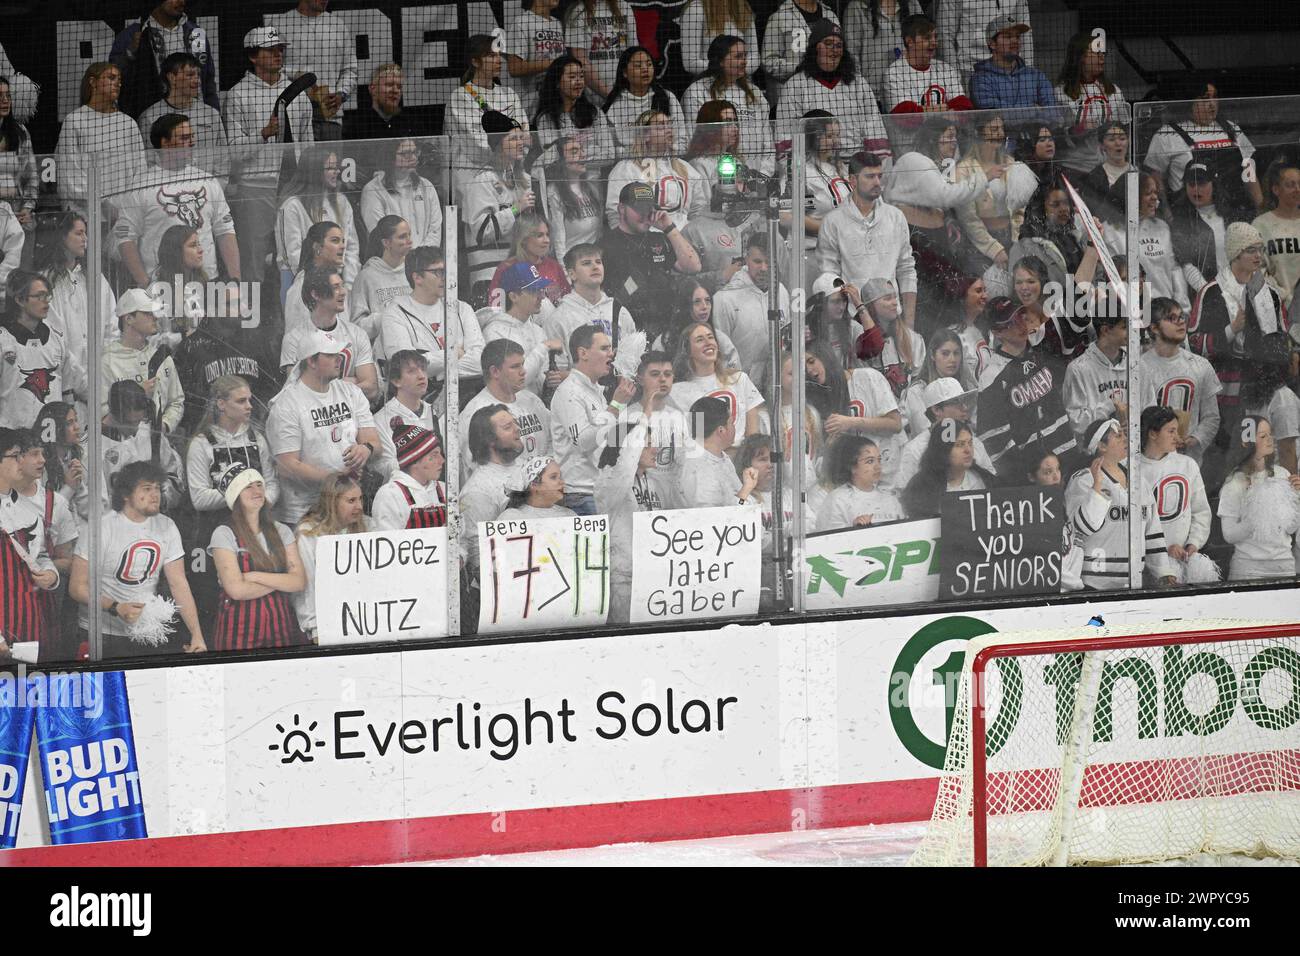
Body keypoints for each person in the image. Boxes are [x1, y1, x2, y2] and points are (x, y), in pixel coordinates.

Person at [69, 459, 206, 657]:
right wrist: (115, 607)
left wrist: (197, 635)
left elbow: (179, 584)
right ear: (126, 494)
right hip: (101, 633)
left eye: (158, 488)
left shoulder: (167, 526)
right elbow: (77, 587)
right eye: (147, 488)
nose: (155, 495)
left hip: (146, 631)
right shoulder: (102, 527)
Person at [1189, 221, 1284, 474]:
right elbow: (1194, 342)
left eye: (1260, 249)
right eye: (1251, 250)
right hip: (1222, 390)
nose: (1258, 256)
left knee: (1256, 450)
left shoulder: (1270, 294)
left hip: (1260, 387)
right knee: (1222, 453)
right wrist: (1232, 330)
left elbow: (1282, 339)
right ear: (1234, 253)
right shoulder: (1211, 292)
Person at [222, 28, 314, 289]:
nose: (277, 54)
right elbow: (235, 152)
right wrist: (263, 133)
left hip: (295, 185)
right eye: (270, 49)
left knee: (299, 250)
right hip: (255, 186)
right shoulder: (238, 94)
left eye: (280, 49)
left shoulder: (298, 94)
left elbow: (309, 145)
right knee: (253, 257)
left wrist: (310, 181)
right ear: (253, 56)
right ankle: (255, 322)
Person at [186, 375, 280, 625]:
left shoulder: (256, 439)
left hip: (256, 528)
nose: (250, 406)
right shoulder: (202, 443)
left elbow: (271, 482)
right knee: (215, 601)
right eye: (241, 401)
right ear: (221, 404)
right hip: (216, 529)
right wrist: (242, 496)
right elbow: (198, 497)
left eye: (250, 400)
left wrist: (262, 501)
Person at [112, 115, 241, 290]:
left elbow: (225, 231)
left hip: (207, 283)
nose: (192, 142)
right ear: (165, 143)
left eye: (192, 136)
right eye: (184, 138)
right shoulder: (140, 187)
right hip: (160, 286)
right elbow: (125, 238)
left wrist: (235, 281)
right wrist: (145, 283)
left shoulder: (208, 181)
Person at [267, 327, 379, 526]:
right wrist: (336, 481)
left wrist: (366, 449)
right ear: (311, 361)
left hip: (346, 509)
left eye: (339, 354)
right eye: (331, 355)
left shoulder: (351, 392)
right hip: (304, 513)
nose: (340, 359)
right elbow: (287, 466)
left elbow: (374, 442)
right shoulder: (286, 404)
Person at [1064, 418, 1176, 590]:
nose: (1125, 439)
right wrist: (1097, 487)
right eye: (1118, 436)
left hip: (1134, 582)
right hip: (1093, 584)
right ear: (1102, 446)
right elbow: (1082, 527)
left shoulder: (1139, 481)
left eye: (1124, 435)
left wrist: (1163, 572)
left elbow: (1152, 531)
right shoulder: (1082, 480)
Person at [208, 463, 305, 650]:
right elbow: (237, 590)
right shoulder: (224, 533)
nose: (257, 490)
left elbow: (299, 582)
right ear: (235, 496)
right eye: (248, 486)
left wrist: (253, 577)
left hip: (280, 627)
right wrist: (281, 582)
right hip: (238, 632)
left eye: (259, 484)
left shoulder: (281, 530)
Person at [817, 151, 918, 330]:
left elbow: (907, 269)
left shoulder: (896, 217)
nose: (877, 182)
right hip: (852, 321)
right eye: (870, 176)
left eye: (879, 176)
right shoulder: (833, 222)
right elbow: (829, 277)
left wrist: (909, 323)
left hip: (893, 319)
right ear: (853, 180)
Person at [976, 300, 1075, 474]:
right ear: (997, 332)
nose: (1020, 325)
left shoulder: (1041, 352)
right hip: (1034, 473)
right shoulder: (991, 377)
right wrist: (1024, 477)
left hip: (1066, 455)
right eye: (1010, 323)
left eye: (1021, 317)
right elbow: (996, 443)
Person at [6, 425, 78, 657]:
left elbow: (58, 559)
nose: (41, 460)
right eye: (31, 454)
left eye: (42, 453)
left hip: (35, 609)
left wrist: (51, 573)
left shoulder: (48, 504)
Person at [595, 418, 677, 623]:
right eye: (646, 444)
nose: (655, 449)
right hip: (624, 580)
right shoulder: (608, 483)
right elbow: (625, 466)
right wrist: (645, 416)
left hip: (655, 578)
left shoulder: (656, 483)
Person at [600, 181, 702, 341]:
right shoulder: (605, 245)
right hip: (628, 328)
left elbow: (693, 266)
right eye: (639, 209)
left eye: (649, 209)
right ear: (621, 208)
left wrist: (669, 227)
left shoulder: (659, 239)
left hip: (664, 328)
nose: (645, 215)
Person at [381, 245, 485, 401]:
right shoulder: (395, 313)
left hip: (466, 396)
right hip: (419, 402)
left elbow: (480, 362)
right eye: (437, 272)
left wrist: (437, 374)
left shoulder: (461, 308)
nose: (445, 277)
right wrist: (455, 353)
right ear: (417, 278)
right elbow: (406, 368)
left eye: (446, 271)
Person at [775, 22, 889, 163]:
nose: (834, 50)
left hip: (856, 165)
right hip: (813, 167)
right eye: (828, 43)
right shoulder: (796, 85)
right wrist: (798, 173)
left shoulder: (858, 84)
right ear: (815, 48)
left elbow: (874, 128)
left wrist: (875, 168)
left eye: (839, 45)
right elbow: (786, 135)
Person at [550, 326, 633, 514]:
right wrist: (615, 406)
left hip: (600, 490)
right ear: (583, 353)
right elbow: (584, 441)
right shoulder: (568, 392)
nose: (611, 354)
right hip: (581, 494)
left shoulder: (595, 390)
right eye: (604, 348)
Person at [1143, 78, 1261, 210]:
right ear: (1189, 101)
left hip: (1233, 210)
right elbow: (1156, 180)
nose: (1212, 104)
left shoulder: (1232, 128)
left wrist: (1260, 209)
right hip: (1190, 216)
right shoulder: (1166, 134)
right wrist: (1168, 215)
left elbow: (1250, 174)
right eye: (1205, 98)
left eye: (1215, 97)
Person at [805, 336, 904, 486]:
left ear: (826, 357)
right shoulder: (816, 400)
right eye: (803, 368)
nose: (810, 371)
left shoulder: (867, 377)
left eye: (812, 361)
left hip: (889, 476)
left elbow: (895, 424)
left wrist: (851, 422)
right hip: (855, 483)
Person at [1136, 297, 1221, 467]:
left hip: (1189, 464)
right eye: (1171, 318)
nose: (1181, 322)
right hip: (1149, 464)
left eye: (1182, 317)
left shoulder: (1200, 365)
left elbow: (1212, 416)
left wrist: (1195, 439)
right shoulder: (1138, 367)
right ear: (1154, 328)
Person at [1217, 415, 1300, 580]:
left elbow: (1290, 528)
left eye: (1270, 434)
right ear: (1246, 443)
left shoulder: (1282, 474)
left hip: (1283, 566)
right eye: (1263, 436)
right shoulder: (1234, 483)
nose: (1271, 439)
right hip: (1248, 568)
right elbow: (1229, 534)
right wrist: (1257, 516)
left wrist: (1297, 497)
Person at [1138, 405, 1213, 584]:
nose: (1177, 437)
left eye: (1177, 431)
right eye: (1171, 431)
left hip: (1183, 560)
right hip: (1145, 569)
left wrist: (1192, 544)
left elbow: (1201, 511)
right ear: (1152, 434)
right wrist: (1161, 552)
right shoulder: (1133, 469)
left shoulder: (1187, 465)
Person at [463, 112, 534, 300]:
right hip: (489, 276)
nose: (520, 143)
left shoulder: (524, 179)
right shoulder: (482, 180)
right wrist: (515, 209)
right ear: (499, 144)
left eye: (521, 138)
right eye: (513, 139)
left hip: (519, 269)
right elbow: (482, 232)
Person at [280, 269, 379, 403]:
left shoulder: (357, 334)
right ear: (316, 294)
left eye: (342, 286)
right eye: (335, 287)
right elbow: (298, 394)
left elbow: (372, 389)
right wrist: (350, 381)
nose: (343, 292)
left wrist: (322, 385)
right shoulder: (294, 339)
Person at [56, 62, 146, 208]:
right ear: (93, 82)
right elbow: (69, 173)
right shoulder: (74, 121)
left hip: (126, 213)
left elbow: (140, 171)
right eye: (111, 78)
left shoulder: (129, 123)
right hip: (86, 213)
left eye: (120, 80)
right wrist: (101, 204)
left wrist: (130, 206)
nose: (117, 83)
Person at [0, 271, 83, 429]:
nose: (46, 302)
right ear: (20, 300)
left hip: (52, 440)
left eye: (47, 296)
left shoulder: (56, 339)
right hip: (12, 441)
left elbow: (67, 393)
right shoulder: (3, 341)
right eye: (39, 296)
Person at [953, 111, 1034, 271]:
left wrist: (1018, 242)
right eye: (994, 130)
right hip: (978, 243)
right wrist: (994, 249)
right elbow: (967, 218)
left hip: (1011, 238)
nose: (1000, 134)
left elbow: (1019, 211)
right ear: (979, 133)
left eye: (1002, 129)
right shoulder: (964, 169)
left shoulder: (1010, 163)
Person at [39, 212, 117, 378]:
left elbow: (112, 325)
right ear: (61, 237)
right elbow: (51, 333)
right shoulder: (47, 280)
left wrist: (104, 368)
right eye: (79, 233)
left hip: (99, 376)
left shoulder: (96, 278)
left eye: (86, 233)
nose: (85, 238)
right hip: (64, 377)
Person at [111, 0, 218, 119]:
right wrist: (130, 52)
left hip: (196, 116)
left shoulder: (196, 33)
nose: (181, 1)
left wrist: (214, 115)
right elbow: (114, 75)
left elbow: (207, 80)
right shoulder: (132, 35)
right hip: (154, 119)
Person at [460, 340, 551, 480]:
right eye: (515, 367)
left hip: (541, 487)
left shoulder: (531, 399)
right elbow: (480, 468)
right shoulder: (475, 413)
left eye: (522, 364)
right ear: (495, 371)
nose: (523, 371)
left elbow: (553, 440)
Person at [683, 37, 775, 176]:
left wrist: (763, 175)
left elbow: (768, 143)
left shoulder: (755, 93)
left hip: (754, 178)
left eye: (745, 55)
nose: (744, 61)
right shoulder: (697, 91)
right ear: (720, 61)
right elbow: (693, 137)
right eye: (738, 56)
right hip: (711, 175)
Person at [268, 0, 358, 141]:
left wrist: (342, 93)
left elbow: (350, 69)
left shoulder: (338, 26)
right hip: (293, 115)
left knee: (332, 163)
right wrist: (298, 76)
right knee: (297, 163)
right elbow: (269, 67)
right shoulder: (280, 24)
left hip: (329, 115)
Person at [711, 231, 790, 392]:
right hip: (738, 388)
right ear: (746, 258)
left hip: (775, 385)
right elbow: (720, 355)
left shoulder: (781, 291)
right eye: (757, 261)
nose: (764, 268)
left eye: (769, 262)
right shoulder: (724, 299)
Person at [293, 473, 366, 643]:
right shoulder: (308, 533)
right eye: (351, 501)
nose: (360, 506)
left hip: (361, 620)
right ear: (332, 502)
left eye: (360, 499)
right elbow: (307, 585)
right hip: (328, 621)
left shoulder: (368, 526)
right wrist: (314, 626)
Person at [605, 109, 706, 233]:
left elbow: (698, 210)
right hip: (647, 243)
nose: (668, 129)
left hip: (683, 240)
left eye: (669, 124)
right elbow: (615, 213)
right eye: (660, 126)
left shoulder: (686, 169)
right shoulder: (626, 169)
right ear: (645, 135)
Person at [101, 287, 185, 434]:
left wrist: (164, 426)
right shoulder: (108, 361)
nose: (155, 317)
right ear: (128, 319)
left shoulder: (162, 358)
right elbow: (102, 414)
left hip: (159, 445)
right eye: (147, 313)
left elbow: (177, 401)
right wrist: (135, 397)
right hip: (122, 447)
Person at [1102, 171, 1190, 310]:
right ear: (1131, 196)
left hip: (1168, 313)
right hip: (1134, 314)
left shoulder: (1162, 227)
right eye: (1148, 193)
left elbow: (1174, 269)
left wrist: (1182, 306)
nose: (1155, 197)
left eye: (1156, 192)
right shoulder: (1109, 232)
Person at [276, 144, 361, 288]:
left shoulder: (342, 202)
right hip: (301, 282)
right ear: (314, 172)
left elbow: (352, 248)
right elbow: (293, 256)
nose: (336, 172)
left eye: (336, 167)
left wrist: (349, 285)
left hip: (338, 282)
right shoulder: (292, 206)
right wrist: (320, 284)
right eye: (330, 168)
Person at [669, 321, 763, 446]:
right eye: (700, 340)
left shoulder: (740, 379)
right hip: (705, 461)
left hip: (741, 458)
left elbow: (753, 434)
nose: (708, 343)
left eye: (710, 337)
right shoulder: (677, 392)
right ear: (688, 351)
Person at [446, 34, 529, 175]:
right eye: (491, 56)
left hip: (511, 171)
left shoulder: (509, 94)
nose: (499, 61)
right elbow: (477, 144)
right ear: (475, 62)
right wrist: (512, 148)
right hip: (474, 176)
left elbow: (525, 135)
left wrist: (516, 149)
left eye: (499, 55)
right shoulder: (461, 96)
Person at [459, 404, 526, 574]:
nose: (518, 429)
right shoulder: (477, 490)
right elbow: (479, 557)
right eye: (508, 427)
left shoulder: (528, 466)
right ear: (489, 440)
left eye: (515, 423)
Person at [1169, 161, 1253, 296]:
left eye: (1201, 183)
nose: (1196, 189)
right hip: (1206, 296)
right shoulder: (1181, 220)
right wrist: (1208, 292)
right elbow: (1186, 264)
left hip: (1241, 290)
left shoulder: (1232, 215)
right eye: (1191, 184)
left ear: (1214, 184)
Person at [99, 379, 184, 510]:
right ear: (114, 414)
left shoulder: (150, 434)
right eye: (131, 423)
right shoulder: (93, 446)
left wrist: (161, 497)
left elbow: (174, 477)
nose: (136, 429)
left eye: (139, 420)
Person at [481, 261, 565, 396]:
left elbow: (540, 379)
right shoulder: (494, 331)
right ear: (513, 296)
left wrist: (549, 381)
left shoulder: (538, 331)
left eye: (541, 290)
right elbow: (513, 382)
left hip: (535, 408)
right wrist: (544, 347)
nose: (542, 296)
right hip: (507, 411)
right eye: (534, 291)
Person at [895, 377, 994, 489]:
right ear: (937, 410)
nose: (964, 407)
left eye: (964, 401)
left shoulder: (974, 443)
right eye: (957, 402)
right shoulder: (914, 450)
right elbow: (904, 495)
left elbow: (993, 483)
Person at [136, 52, 228, 172]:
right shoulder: (149, 117)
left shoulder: (211, 114)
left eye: (198, 75)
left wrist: (213, 188)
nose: (197, 81)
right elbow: (148, 163)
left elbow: (224, 161)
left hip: (206, 188)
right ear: (172, 77)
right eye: (190, 75)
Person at [1054, 29, 1128, 175]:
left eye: (1103, 53)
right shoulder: (1060, 94)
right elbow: (1055, 139)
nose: (1102, 58)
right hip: (1073, 168)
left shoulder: (1114, 92)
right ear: (1080, 57)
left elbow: (1125, 129)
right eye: (1096, 52)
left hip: (1108, 168)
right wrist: (1078, 130)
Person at [547, 243, 638, 362]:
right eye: (586, 263)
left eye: (598, 262)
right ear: (572, 274)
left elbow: (634, 360)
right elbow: (558, 373)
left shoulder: (620, 311)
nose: (595, 267)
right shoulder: (558, 319)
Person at [359, 138, 444, 252]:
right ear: (390, 156)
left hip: (423, 263)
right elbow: (380, 237)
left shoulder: (426, 186)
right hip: (391, 265)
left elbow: (435, 231)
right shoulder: (373, 190)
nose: (413, 158)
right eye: (406, 154)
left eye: (414, 152)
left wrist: (420, 261)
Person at [531, 54, 615, 166]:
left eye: (581, 76)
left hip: (594, 181)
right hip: (564, 182)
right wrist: (593, 150)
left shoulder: (595, 112)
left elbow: (609, 155)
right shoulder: (546, 119)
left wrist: (574, 156)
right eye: (572, 77)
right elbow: (553, 160)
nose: (579, 82)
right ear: (557, 82)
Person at [901, 419, 995, 516]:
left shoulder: (983, 479)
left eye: (970, 443)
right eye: (960, 445)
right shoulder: (920, 487)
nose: (968, 450)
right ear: (943, 450)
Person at [679, 395, 760, 507]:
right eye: (731, 423)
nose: (734, 427)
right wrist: (746, 490)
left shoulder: (722, 458)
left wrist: (746, 490)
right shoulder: (699, 467)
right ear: (721, 430)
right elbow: (714, 517)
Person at [969, 15, 1056, 117]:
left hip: (1038, 132)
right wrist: (1035, 110)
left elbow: (1053, 113)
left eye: (1018, 36)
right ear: (992, 44)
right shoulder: (981, 79)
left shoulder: (1036, 76)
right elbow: (993, 115)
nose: (1015, 41)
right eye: (1008, 36)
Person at [1063, 308, 1128, 445]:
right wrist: (1109, 407)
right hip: (1097, 451)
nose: (1132, 332)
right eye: (1124, 327)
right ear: (1105, 330)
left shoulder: (1136, 362)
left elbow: (1148, 406)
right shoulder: (1078, 369)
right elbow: (1077, 422)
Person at [603, 47, 688, 151]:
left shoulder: (668, 98)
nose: (645, 69)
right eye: (638, 66)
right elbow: (610, 149)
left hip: (667, 160)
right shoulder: (615, 106)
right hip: (629, 163)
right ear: (625, 72)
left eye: (649, 64)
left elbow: (682, 139)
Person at [372, 350, 438, 482]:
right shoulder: (381, 420)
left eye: (423, 369)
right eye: (412, 371)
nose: (421, 376)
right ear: (396, 381)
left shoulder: (435, 411)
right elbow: (384, 468)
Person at [882, 14, 969, 113]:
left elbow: (964, 106)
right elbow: (905, 117)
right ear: (910, 41)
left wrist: (921, 110)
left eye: (935, 37)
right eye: (927, 38)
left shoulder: (946, 69)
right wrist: (946, 108)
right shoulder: (894, 74)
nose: (934, 42)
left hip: (947, 128)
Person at [818, 434, 906, 531]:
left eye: (879, 460)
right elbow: (829, 540)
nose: (878, 467)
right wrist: (854, 529)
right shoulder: (837, 500)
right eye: (870, 461)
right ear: (852, 467)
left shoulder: (890, 498)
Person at [761, 0, 840, 107]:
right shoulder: (779, 17)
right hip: (791, 99)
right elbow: (768, 62)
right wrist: (801, 68)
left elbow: (842, 53)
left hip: (827, 96)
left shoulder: (831, 16)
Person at [1241, 333, 1300, 475]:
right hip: (1281, 480)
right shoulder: (1283, 397)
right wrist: (1293, 492)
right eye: (1293, 352)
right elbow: (1287, 450)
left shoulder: (1253, 392)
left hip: (1261, 476)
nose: (1297, 356)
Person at [348, 215, 413, 345]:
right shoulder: (366, 277)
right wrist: (387, 317)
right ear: (386, 243)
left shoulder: (415, 272)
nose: (409, 241)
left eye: (409, 235)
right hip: (381, 353)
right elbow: (356, 327)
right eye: (402, 237)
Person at [856, 277, 925, 398]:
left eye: (895, 297)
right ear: (871, 306)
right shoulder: (861, 342)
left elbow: (919, 381)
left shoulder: (912, 338)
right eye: (887, 298)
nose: (895, 302)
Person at [372, 422, 448, 531]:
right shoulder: (390, 495)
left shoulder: (444, 489)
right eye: (434, 456)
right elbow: (387, 543)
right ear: (414, 461)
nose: (442, 461)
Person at [488, 212, 571, 311]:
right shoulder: (506, 268)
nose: (547, 240)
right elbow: (495, 308)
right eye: (539, 235)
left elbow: (567, 302)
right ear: (523, 239)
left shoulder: (554, 266)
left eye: (547, 235)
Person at [899, 327, 973, 435]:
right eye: (945, 353)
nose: (953, 359)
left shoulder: (966, 387)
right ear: (932, 355)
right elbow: (925, 432)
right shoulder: (917, 391)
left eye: (956, 353)